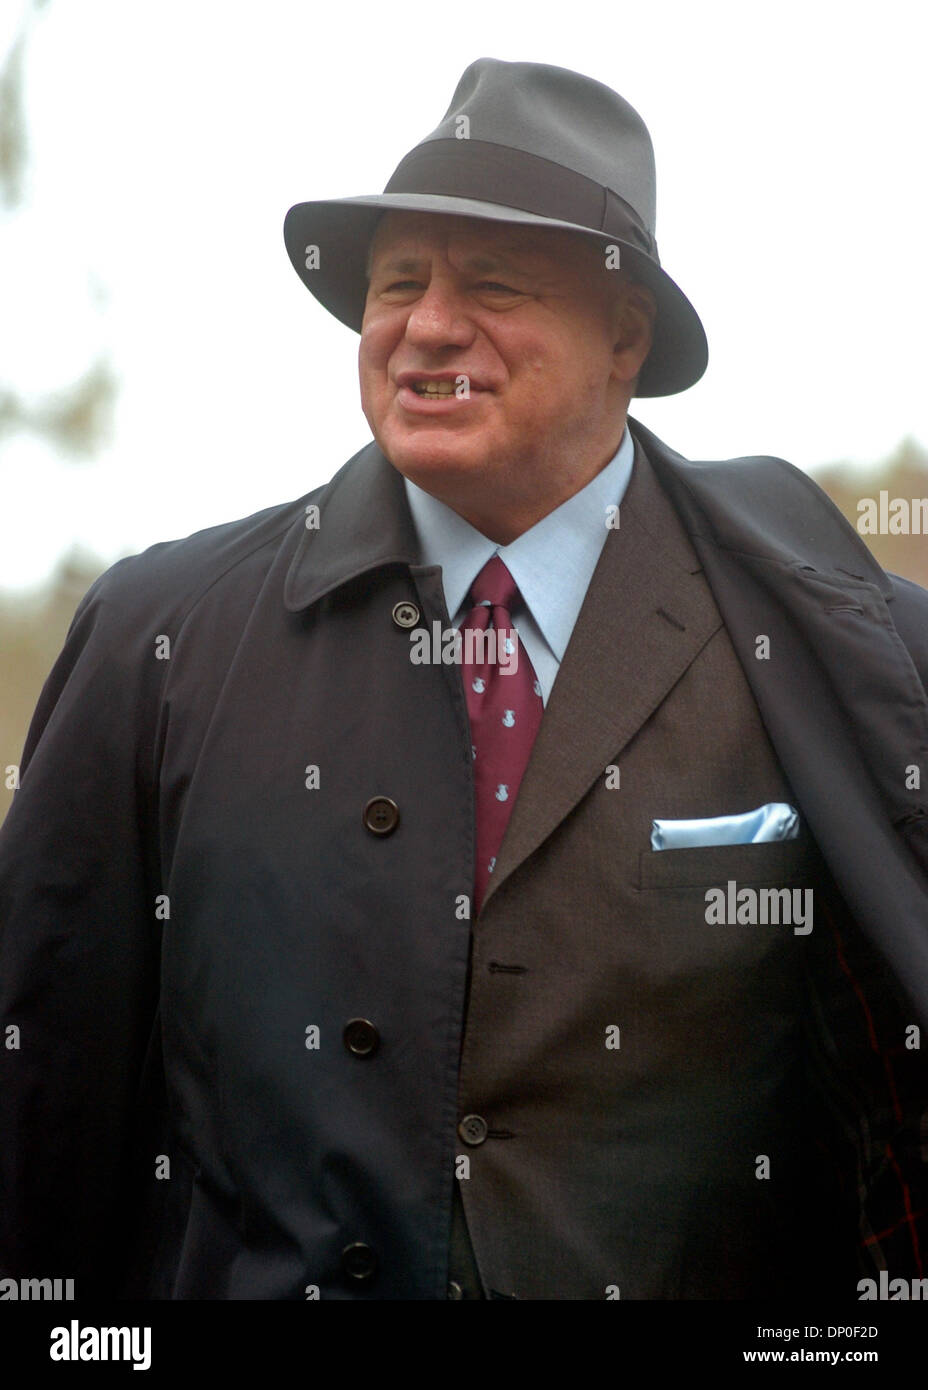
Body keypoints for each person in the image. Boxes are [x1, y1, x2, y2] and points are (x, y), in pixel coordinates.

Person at [2, 57, 927, 1302]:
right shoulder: (157, 640)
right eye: (398, 283)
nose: (428, 326)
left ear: (624, 335)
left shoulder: (843, 652)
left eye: (492, 282)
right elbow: (41, 1129)